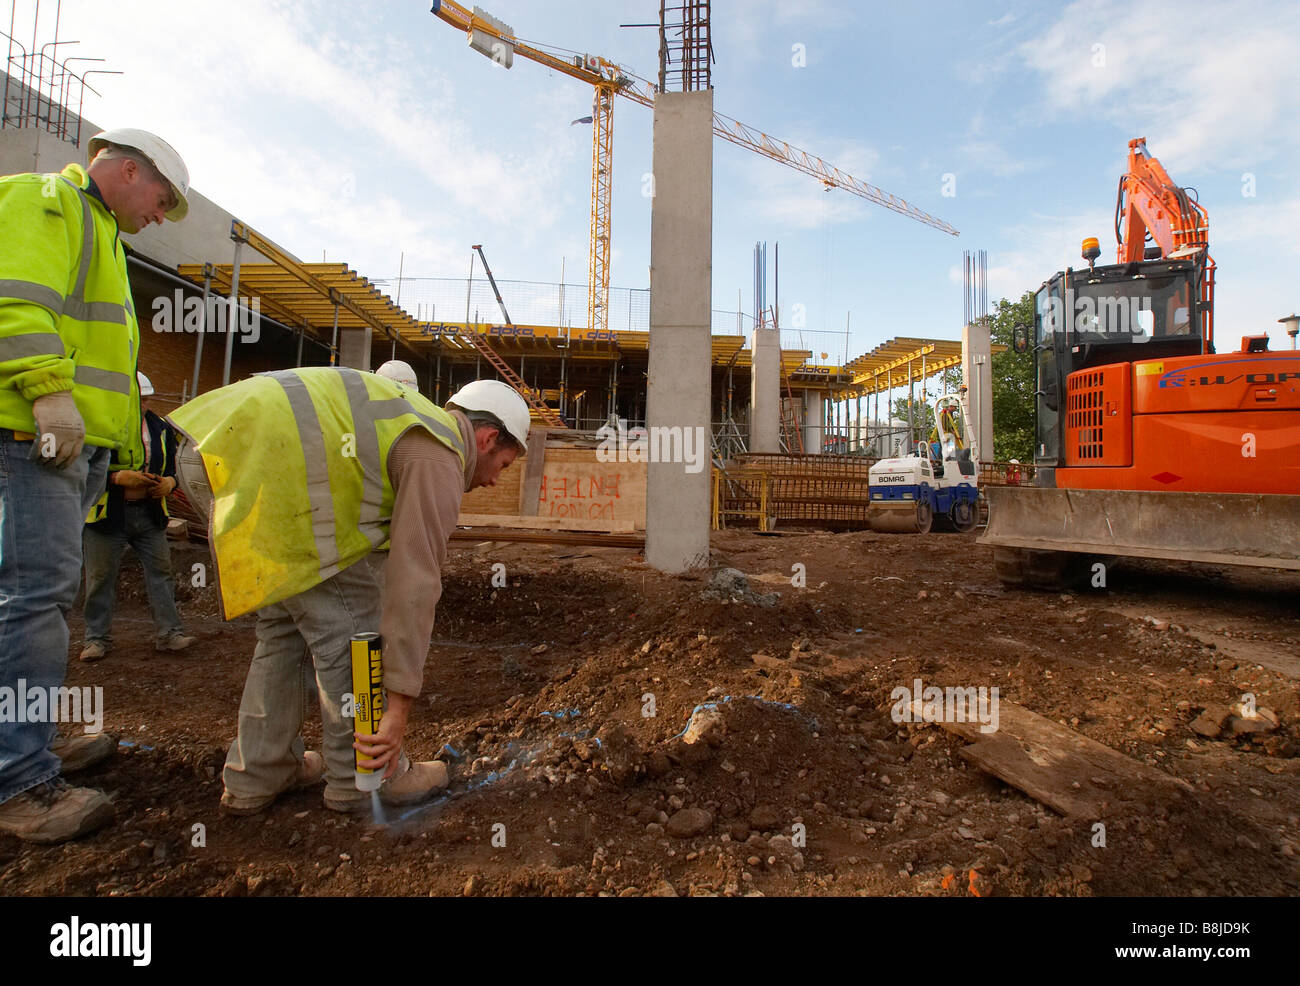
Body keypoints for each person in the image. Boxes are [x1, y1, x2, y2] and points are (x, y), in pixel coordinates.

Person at [169, 369, 526, 815]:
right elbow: (415, 580)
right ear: (489, 439)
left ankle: (260, 770)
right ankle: (366, 778)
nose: (495, 480)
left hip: (217, 448)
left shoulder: (412, 420)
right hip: (255, 462)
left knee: (286, 630)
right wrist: (397, 706)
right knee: (353, 628)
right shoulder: (440, 454)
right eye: (505, 467)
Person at [0, 128, 190, 844]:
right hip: (34, 433)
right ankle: (18, 780)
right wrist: (48, 393)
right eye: (161, 201)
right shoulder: (48, 201)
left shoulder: (103, 232)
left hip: (77, 447)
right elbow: (14, 299)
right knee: (33, 598)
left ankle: (29, 742)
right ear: (129, 169)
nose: (161, 217)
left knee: (39, 597)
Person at [79, 371, 196, 662]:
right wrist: (117, 478)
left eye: (145, 400)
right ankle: (96, 638)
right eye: (137, 399)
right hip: (107, 516)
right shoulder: (103, 426)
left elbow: (172, 468)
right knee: (100, 577)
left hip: (150, 515)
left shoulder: (160, 429)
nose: (142, 405)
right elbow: (82, 469)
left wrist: (170, 483)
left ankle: (169, 635)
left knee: (161, 573)